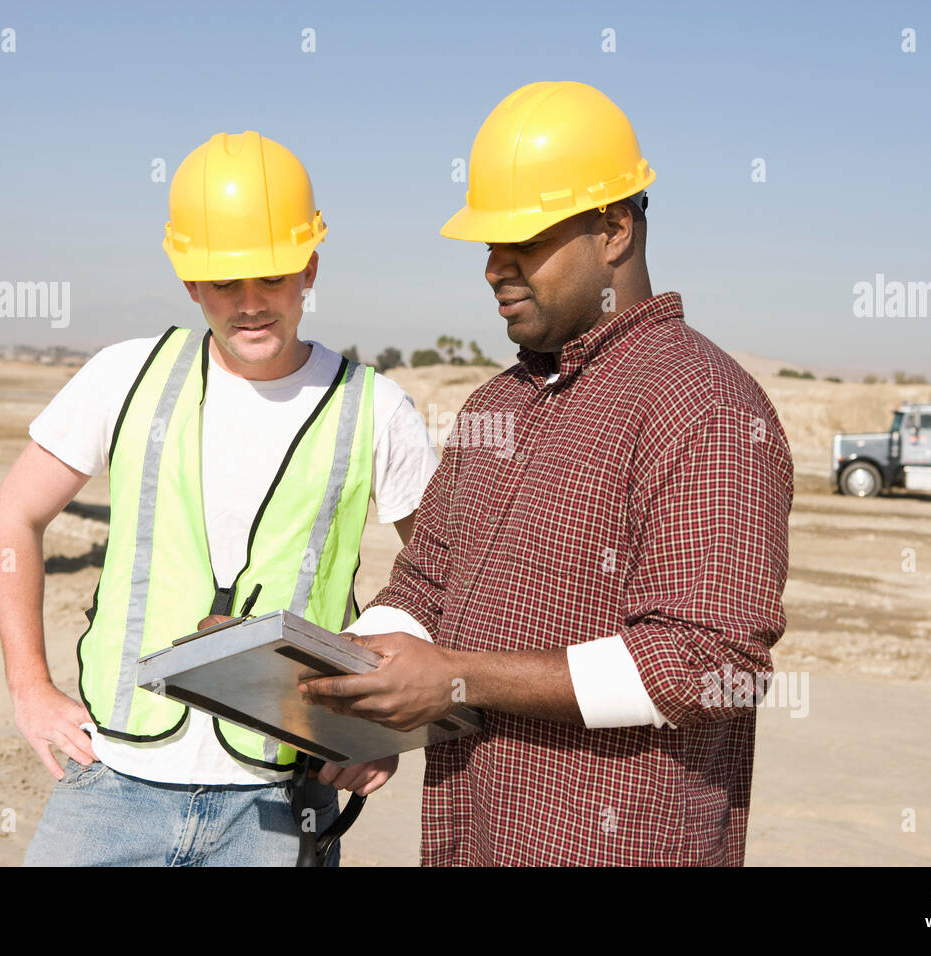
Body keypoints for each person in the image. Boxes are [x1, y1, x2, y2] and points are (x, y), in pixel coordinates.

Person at [302, 81, 794, 866]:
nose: (495, 269)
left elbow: (710, 666)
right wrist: (324, 672)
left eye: (522, 240)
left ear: (614, 231)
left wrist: (458, 679)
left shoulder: (705, 405)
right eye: (488, 246)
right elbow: (426, 585)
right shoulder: (498, 405)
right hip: (479, 837)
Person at [0, 130, 431, 866]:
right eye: (226, 283)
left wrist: (378, 729)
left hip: (280, 798)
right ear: (191, 282)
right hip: (111, 786)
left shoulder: (376, 409)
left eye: (273, 277)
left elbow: (443, 581)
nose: (250, 305)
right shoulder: (123, 377)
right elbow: (14, 517)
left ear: (309, 268)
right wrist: (29, 687)